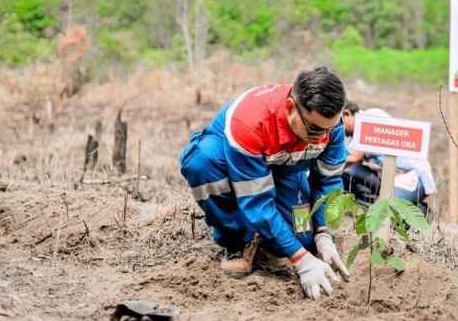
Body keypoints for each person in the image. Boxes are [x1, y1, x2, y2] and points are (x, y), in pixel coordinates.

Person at [179, 66, 351, 299]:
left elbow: (329, 180)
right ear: (291, 108)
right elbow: (257, 202)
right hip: (234, 165)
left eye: (329, 130)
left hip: (286, 170)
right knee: (201, 162)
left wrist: (323, 232)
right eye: (314, 129)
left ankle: (270, 234)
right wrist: (301, 260)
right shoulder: (249, 121)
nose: (322, 137)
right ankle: (237, 239)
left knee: (302, 240)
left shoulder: (331, 124)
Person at [341, 105, 435, 214]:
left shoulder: (370, 115)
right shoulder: (349, 137)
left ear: (347, 113)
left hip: (411, 177)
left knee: (388, 216)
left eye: (338, 124)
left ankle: (420, 212)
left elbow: (353, 157)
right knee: (349, 173)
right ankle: (373, 208)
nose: (337, 129)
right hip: (387, 178)